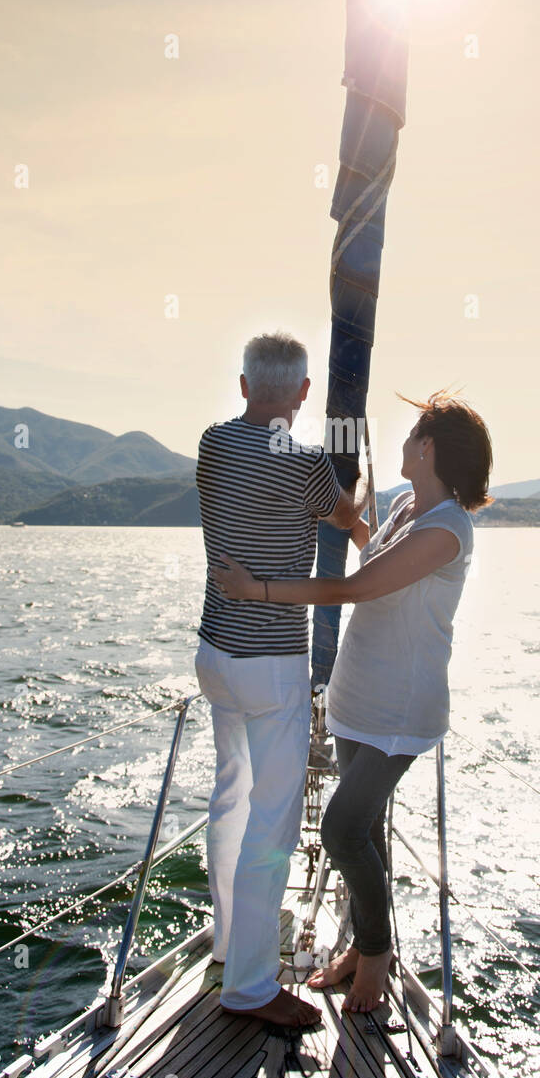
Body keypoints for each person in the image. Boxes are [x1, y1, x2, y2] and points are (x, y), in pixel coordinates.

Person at [211, 389, 493, 1014]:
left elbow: (357, 586)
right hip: (356, 697)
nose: (398, 444)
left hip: (401, 711)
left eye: (409, 435)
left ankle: (373, 956)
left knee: (340, 829)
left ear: (428, 448)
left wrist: (257, 590)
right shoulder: (406, 510)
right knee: (364, 829)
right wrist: (352, 504)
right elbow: (370, 548)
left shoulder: (447, 530)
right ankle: (368, 945)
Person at [194, 331, 366, 1029]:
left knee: (228, 800)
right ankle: (249, 989)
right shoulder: (307, 469)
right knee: (271, 824)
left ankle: (229, 945)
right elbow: (349, 523)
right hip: (270, 664)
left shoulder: (211, 443)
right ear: (300, 393)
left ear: (242, 386)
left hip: (214, 656)